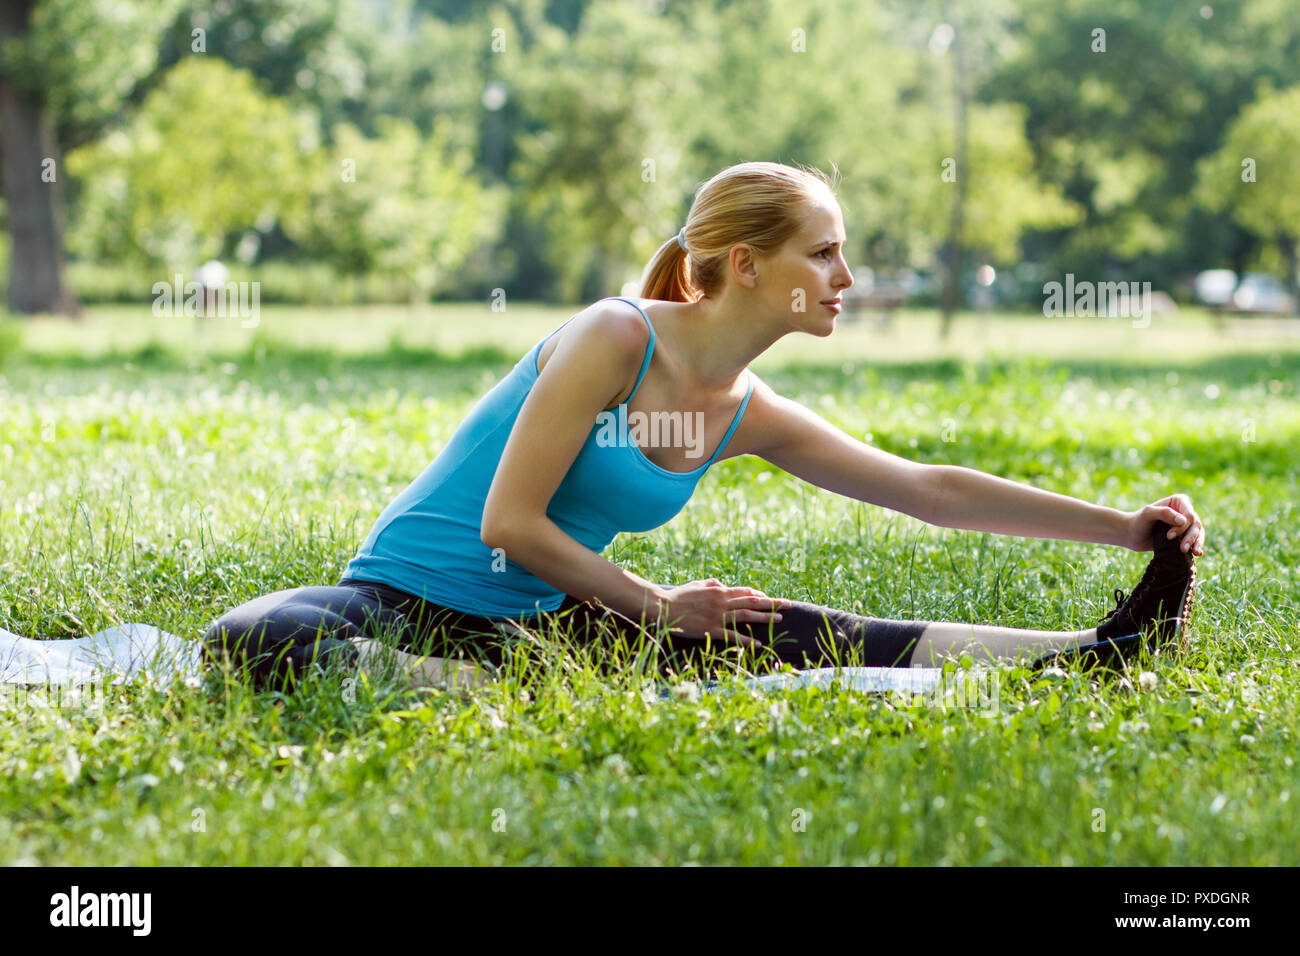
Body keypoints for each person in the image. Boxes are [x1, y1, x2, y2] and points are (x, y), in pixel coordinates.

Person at [202, 161, 1203, 693]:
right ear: (745, 265)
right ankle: (478, 683)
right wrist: (654, 603)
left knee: (786, 628)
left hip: (540, 626)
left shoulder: (744, 408)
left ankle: (1091, 650)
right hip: (397, 603)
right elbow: (509, 523)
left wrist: (1122, 527)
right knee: (253, 634)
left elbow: (926, 488)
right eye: (824, 253)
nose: (846, 279)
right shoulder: (610, 337)